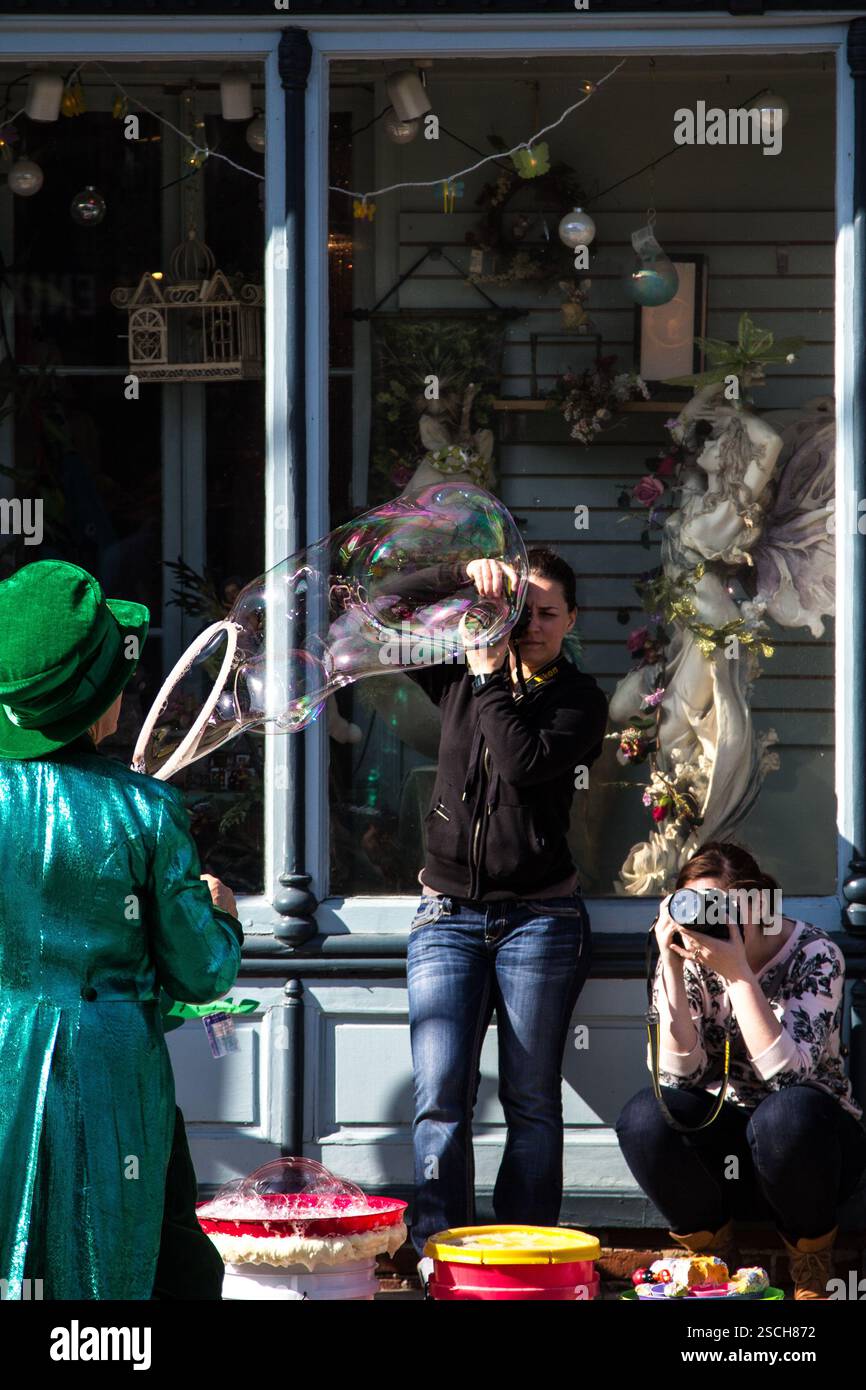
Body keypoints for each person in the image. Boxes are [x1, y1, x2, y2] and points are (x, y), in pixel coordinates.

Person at [0, 560, 243, 1300]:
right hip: (110, 1070)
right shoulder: (145, 811)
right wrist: (222, 915)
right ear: (100, 697)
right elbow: (202, 973)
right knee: (118, 1258)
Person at [399, 546, 609, 1265]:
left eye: (550, 613)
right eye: (525, 611)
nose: (534, 625)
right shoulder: (457, 677)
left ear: (571, 620)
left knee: (530, 1102)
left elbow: (520, 764)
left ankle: (525, 1258)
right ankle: (438, 1256)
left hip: (541, 923)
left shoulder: (581, 701)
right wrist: (466, 575)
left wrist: (489, 672)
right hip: (446, 919)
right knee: (439, 1097)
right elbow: (384, 607)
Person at [616, 841, 866, 1300]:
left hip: (811, 1153)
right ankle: (713, 1259)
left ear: (757, 906)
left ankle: (812, 1270)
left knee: (784, 1114)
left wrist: (738, 975)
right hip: (727, 1146)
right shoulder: (689, 955)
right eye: (694, 907)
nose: (708, 923)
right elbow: (677, 1078)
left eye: (721, 909)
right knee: (643, 1118)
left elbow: (788, 1078)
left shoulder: (814, 953)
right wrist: (670, 963)